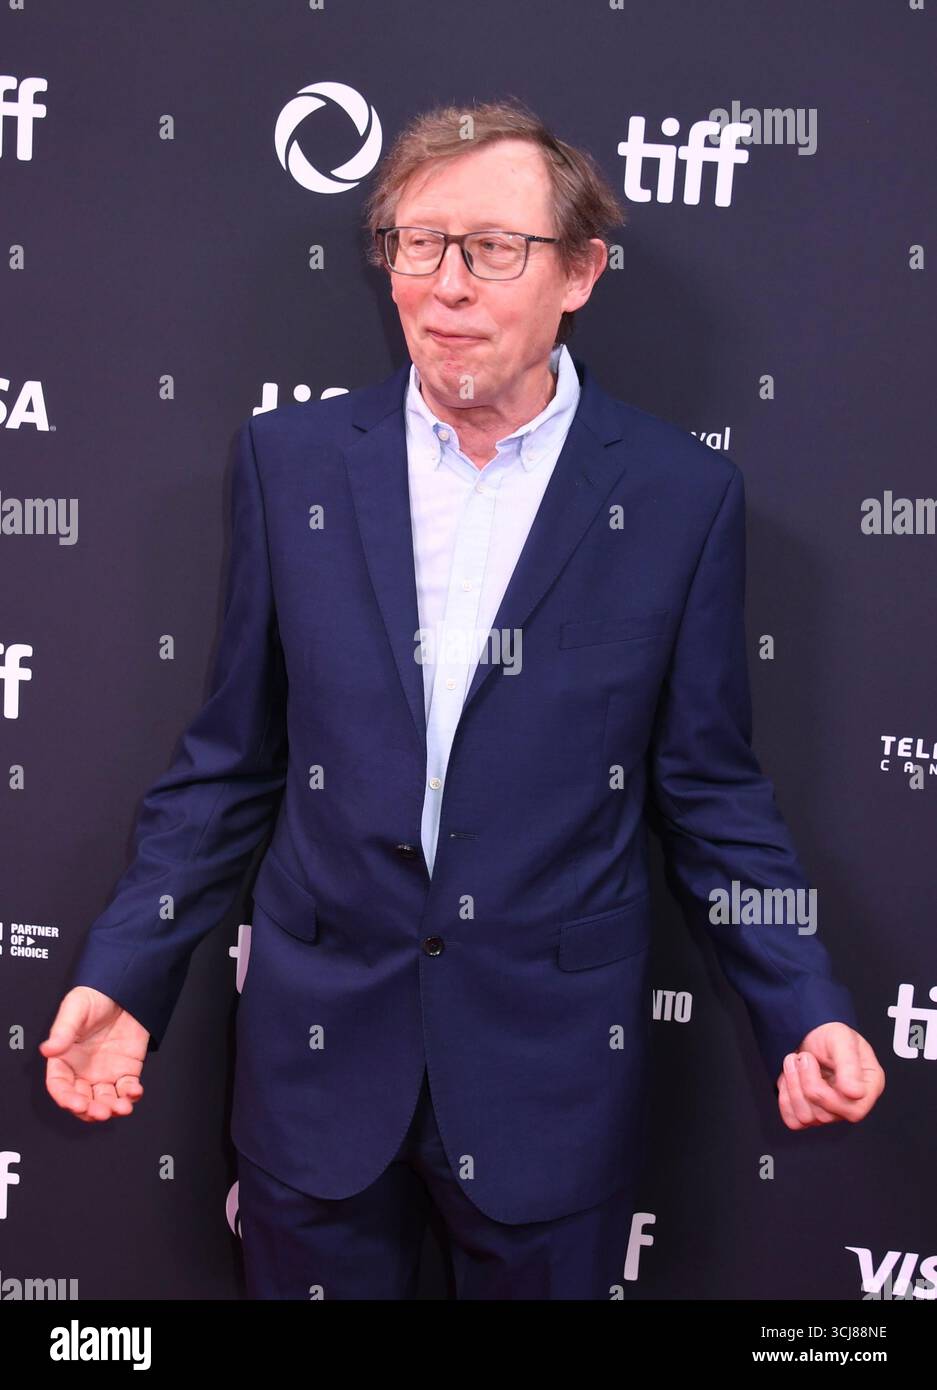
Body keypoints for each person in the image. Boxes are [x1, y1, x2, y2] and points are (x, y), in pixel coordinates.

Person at [41, 98, 884, 1300]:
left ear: (580, 271)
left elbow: (708, 792)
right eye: (415, 243)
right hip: (316, 1076)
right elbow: (232, 762)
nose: (445, 284)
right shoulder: (291, 465)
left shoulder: (679, 496)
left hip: (549, 1083)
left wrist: (800, 1003)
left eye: (492, 248)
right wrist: (126, 973)